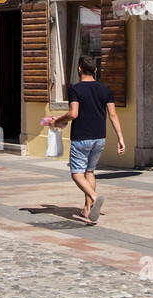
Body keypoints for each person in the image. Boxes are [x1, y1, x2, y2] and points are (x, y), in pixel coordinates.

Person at [47, 55, 125, 225]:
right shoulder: (106, 90)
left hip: (82, 138)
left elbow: (73, 113)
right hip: (100, 138)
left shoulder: (75, 89)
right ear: (96, 71)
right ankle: (87, 210)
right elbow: (112, 115)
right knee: (89, 172)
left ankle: (95, 197)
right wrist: (120, 138)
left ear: (79, 69)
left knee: (77, 174)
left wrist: (57, 121)